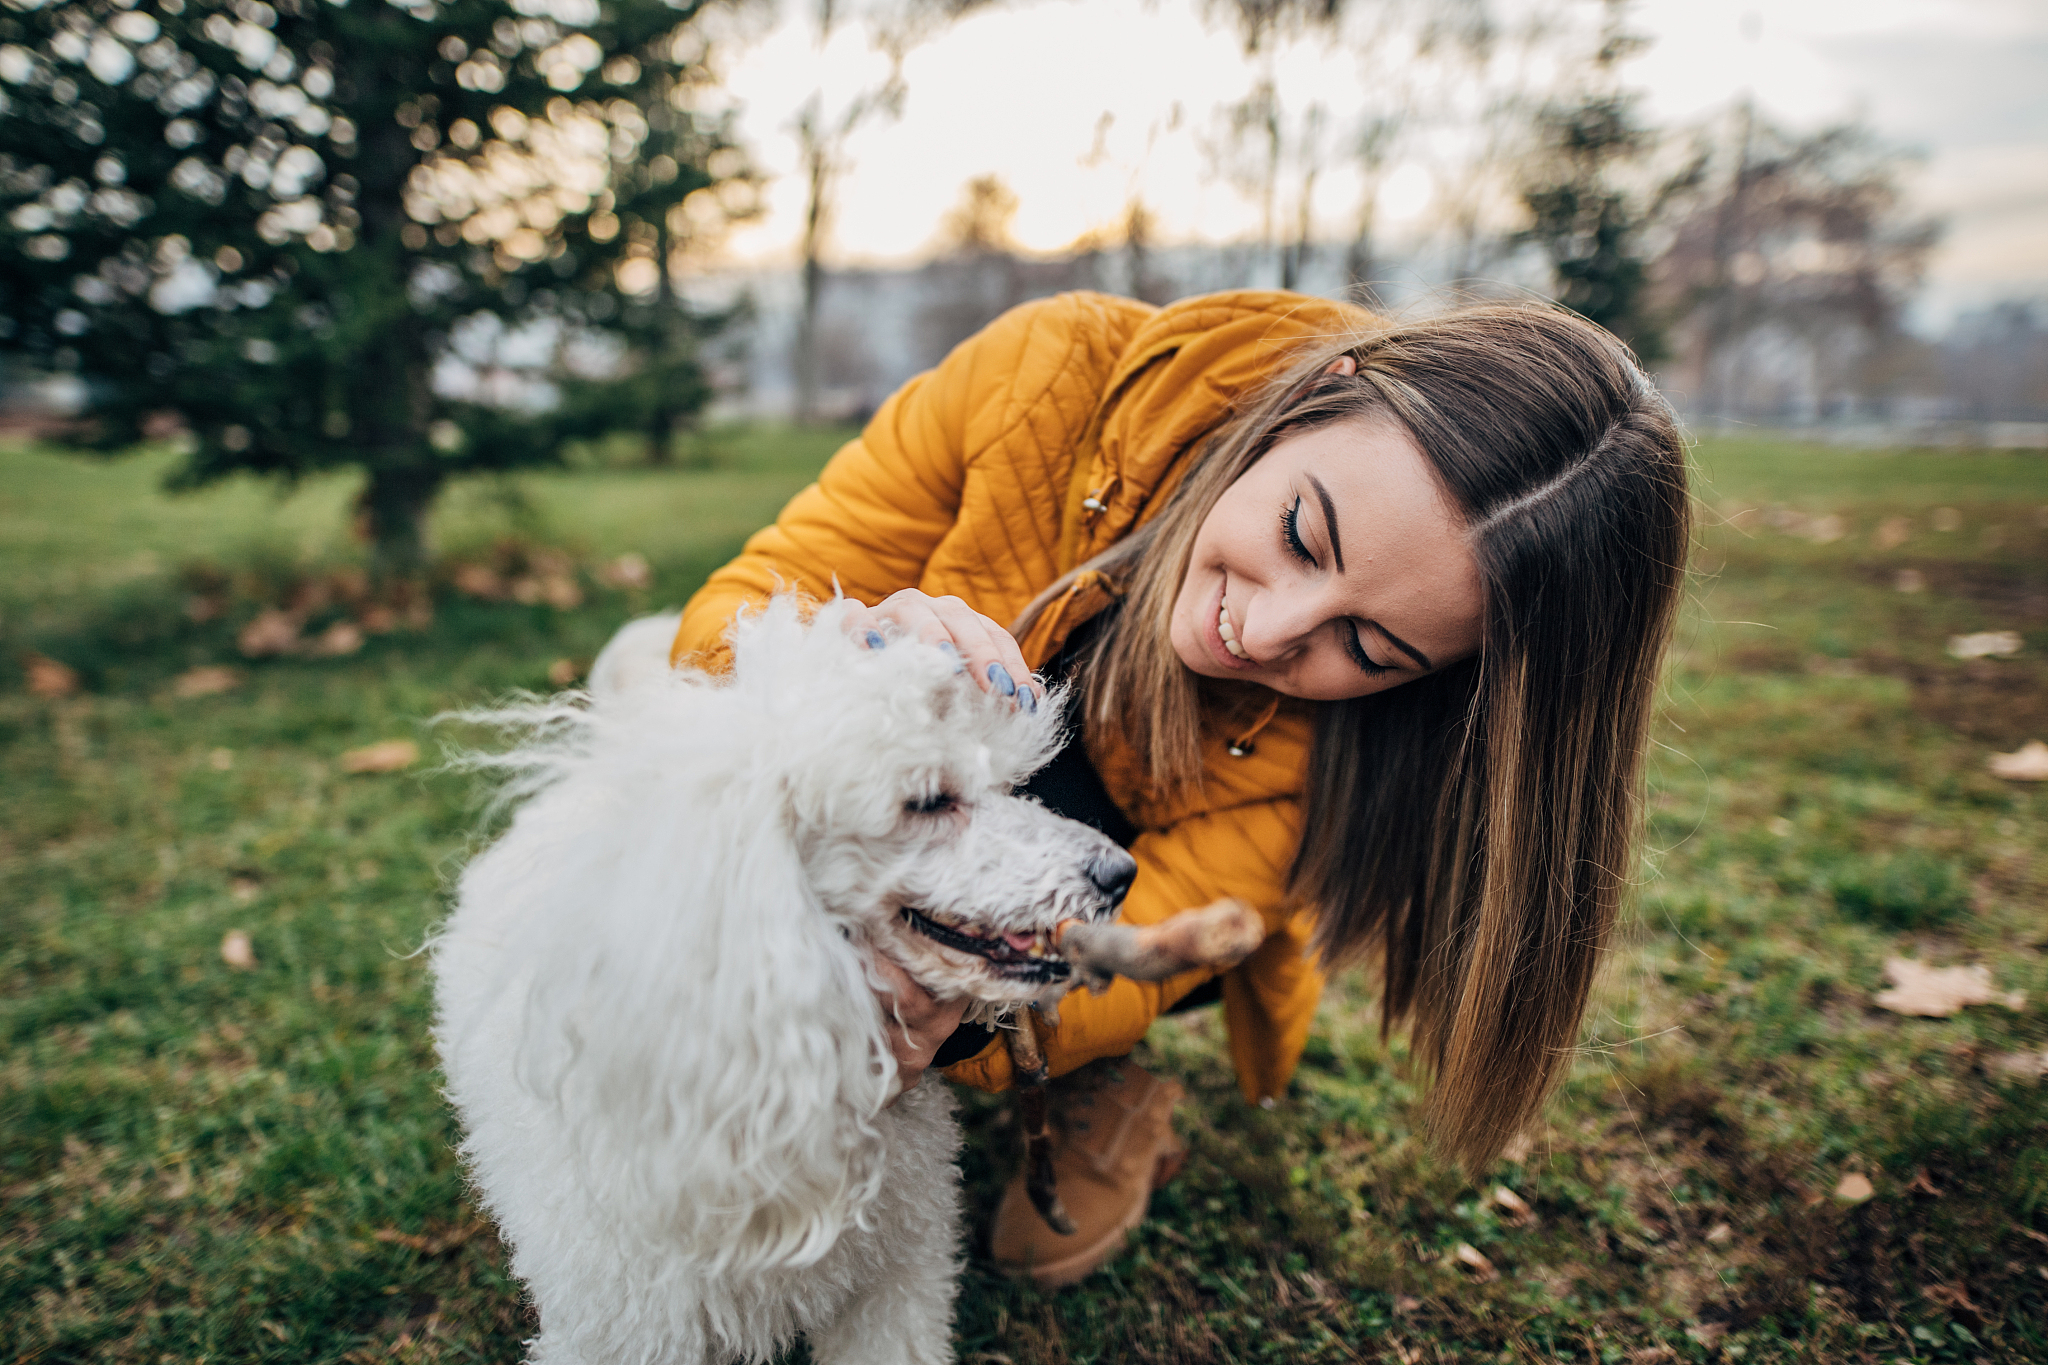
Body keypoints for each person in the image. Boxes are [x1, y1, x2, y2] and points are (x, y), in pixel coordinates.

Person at [669, 288, 1691, 1287]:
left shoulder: (1357, 743)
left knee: (1080, 938)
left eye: (1367, 646)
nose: (1269, 629)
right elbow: (729, 625)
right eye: (1300, 534)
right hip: (905, 813)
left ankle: (1095, 1078)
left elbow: (1151, 933)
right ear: (1311, 399)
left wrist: (962, 1005)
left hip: (1125, 889)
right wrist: (833, 650)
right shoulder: (1038, 374)